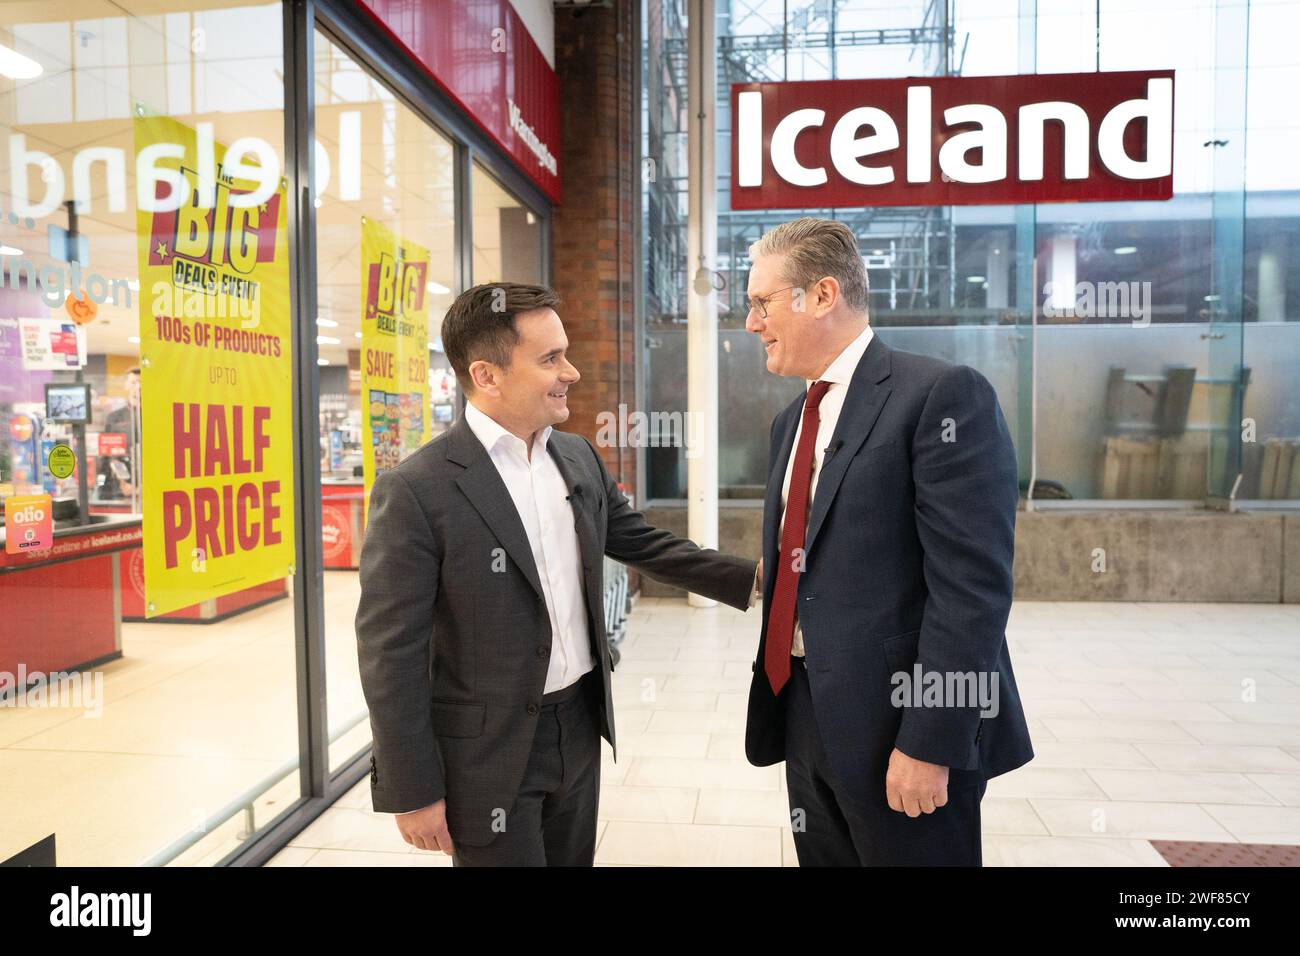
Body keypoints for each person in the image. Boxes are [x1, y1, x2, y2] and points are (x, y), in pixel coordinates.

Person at [355, 282, 758, 866]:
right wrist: (411, 787)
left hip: (579, 724)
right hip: (486, 753)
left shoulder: (575, 457)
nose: (570, 372)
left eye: (565, 353)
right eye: (550, 359)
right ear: (487, 375)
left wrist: (756, 579)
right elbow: (389, 653)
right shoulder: (419, 489)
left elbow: (641, 541)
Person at [742, 218, 1034, 866]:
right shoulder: (792, 420)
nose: (751, 322)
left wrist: (931, 742)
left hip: (901, 726)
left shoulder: (940, 395)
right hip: (805, 713)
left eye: (762, 302)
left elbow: (972, 591)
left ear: (821, 296)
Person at [96, 366, 140, 500]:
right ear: (126, 385)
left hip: (151, 490)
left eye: (142, 382)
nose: (138, 387)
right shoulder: (114, 418)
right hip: (120, 490)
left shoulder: (158, 416)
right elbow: (107, 456)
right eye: (133, 382)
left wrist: (142, 487)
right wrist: (102, 487)